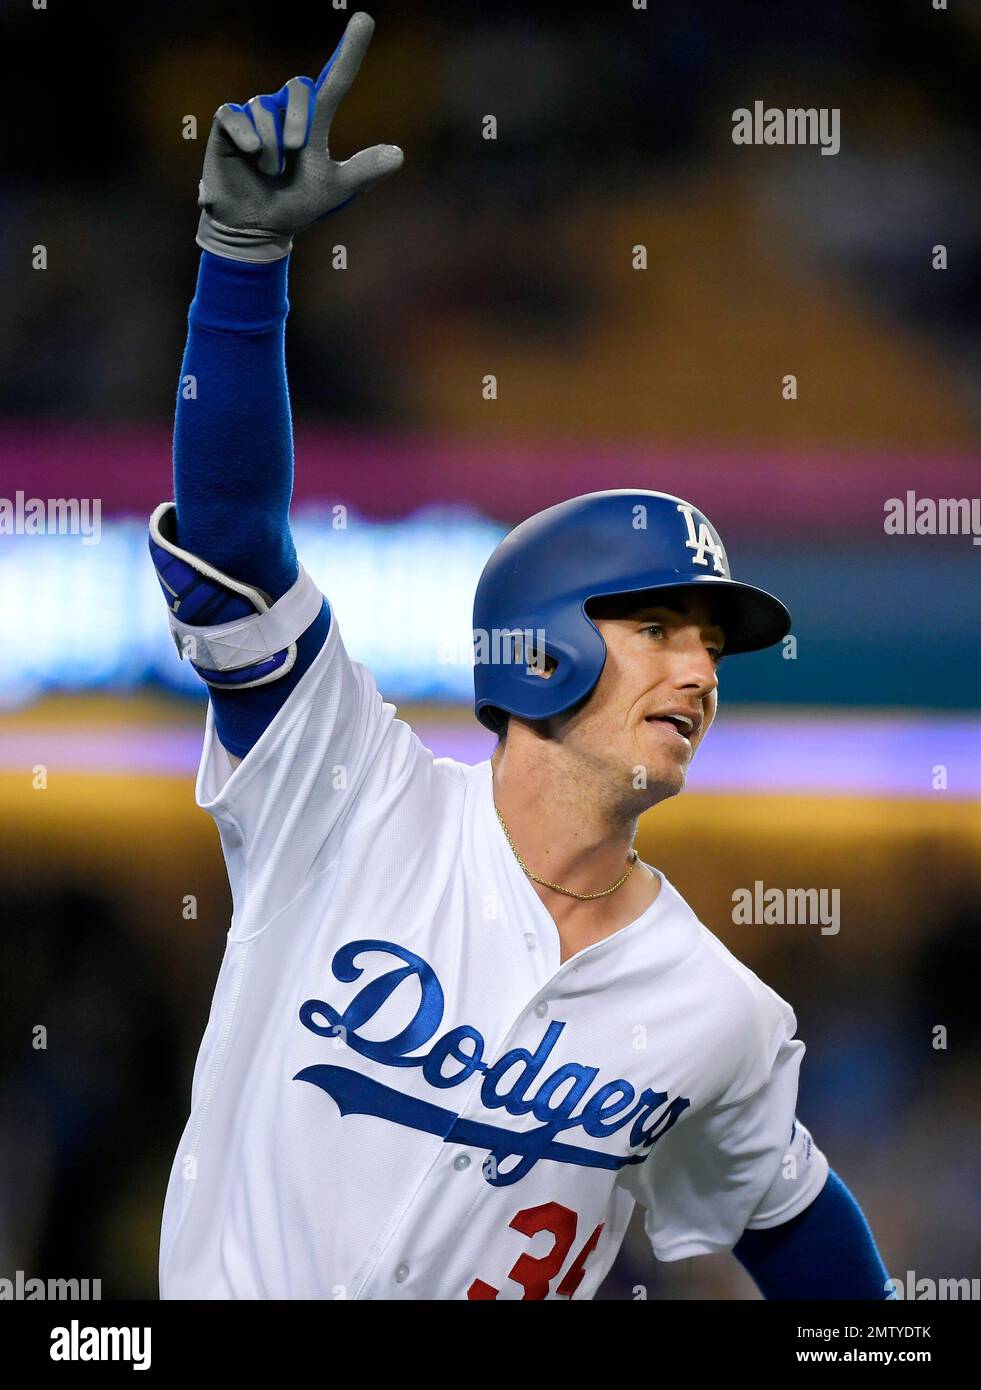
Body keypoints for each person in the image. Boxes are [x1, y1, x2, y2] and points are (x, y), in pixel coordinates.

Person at [150, 12, 891, 1300]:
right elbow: (230, 543)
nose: (699, 675)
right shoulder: (349, 794)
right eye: (656, 629)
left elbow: (797, 1225)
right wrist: (240, 260)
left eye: (713, 646)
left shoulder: (717, 1011)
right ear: (539, 644)